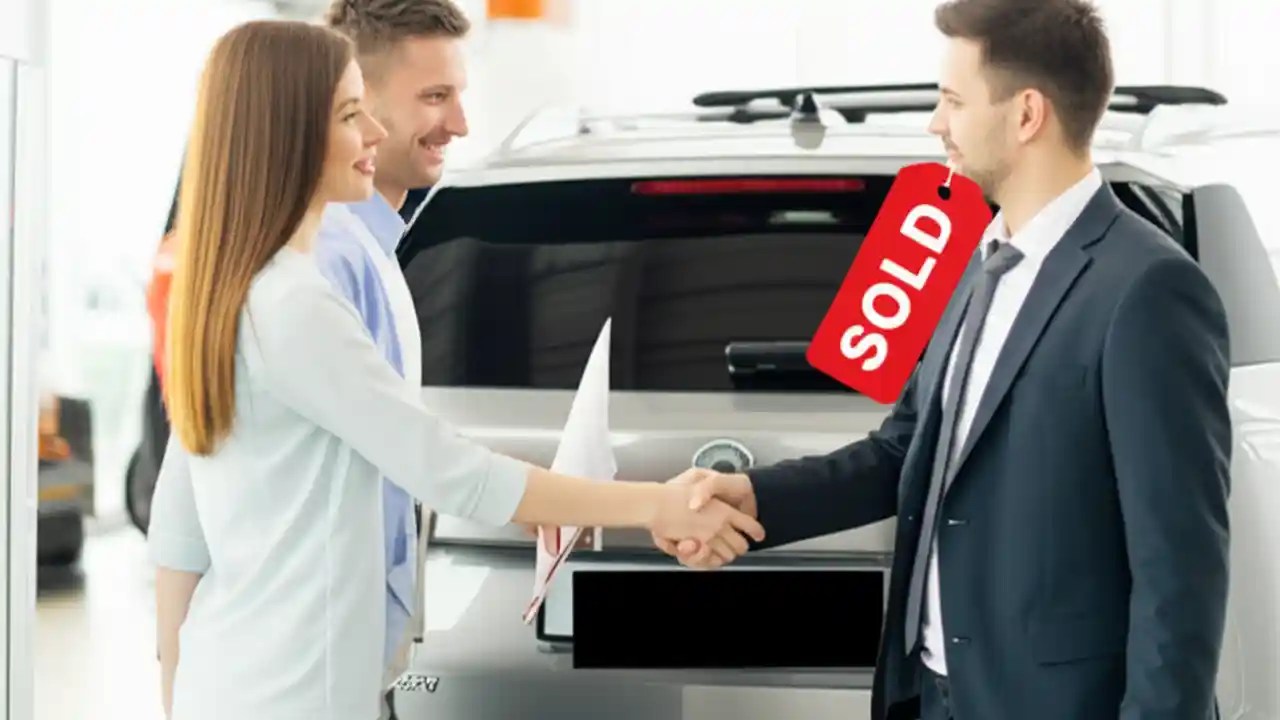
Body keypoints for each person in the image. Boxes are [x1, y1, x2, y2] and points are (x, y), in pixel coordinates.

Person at [147, 20, 764, 720]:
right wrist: (652, 505)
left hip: (239, 679)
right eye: (351, 115)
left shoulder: (239, 289)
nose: (373, 135)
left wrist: (178, 688)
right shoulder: (293, 305)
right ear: (291, 135)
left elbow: (184, 513)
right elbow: (450, 471)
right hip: (292, 693)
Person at [660, 1, 1232, 719]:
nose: (936, 123)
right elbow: (907, 452)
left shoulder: (1149, 289)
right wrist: (759, 498)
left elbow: (1180, 574)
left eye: (953, 100)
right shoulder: (976, 260)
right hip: (930, 697)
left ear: (1027, 115)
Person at [149, 3, 510, 719]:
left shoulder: (356, 252)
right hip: (301, 677)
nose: (461, 125)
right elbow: (188, 498)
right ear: (348, 102)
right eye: (434, 98)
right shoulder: (326, 267)